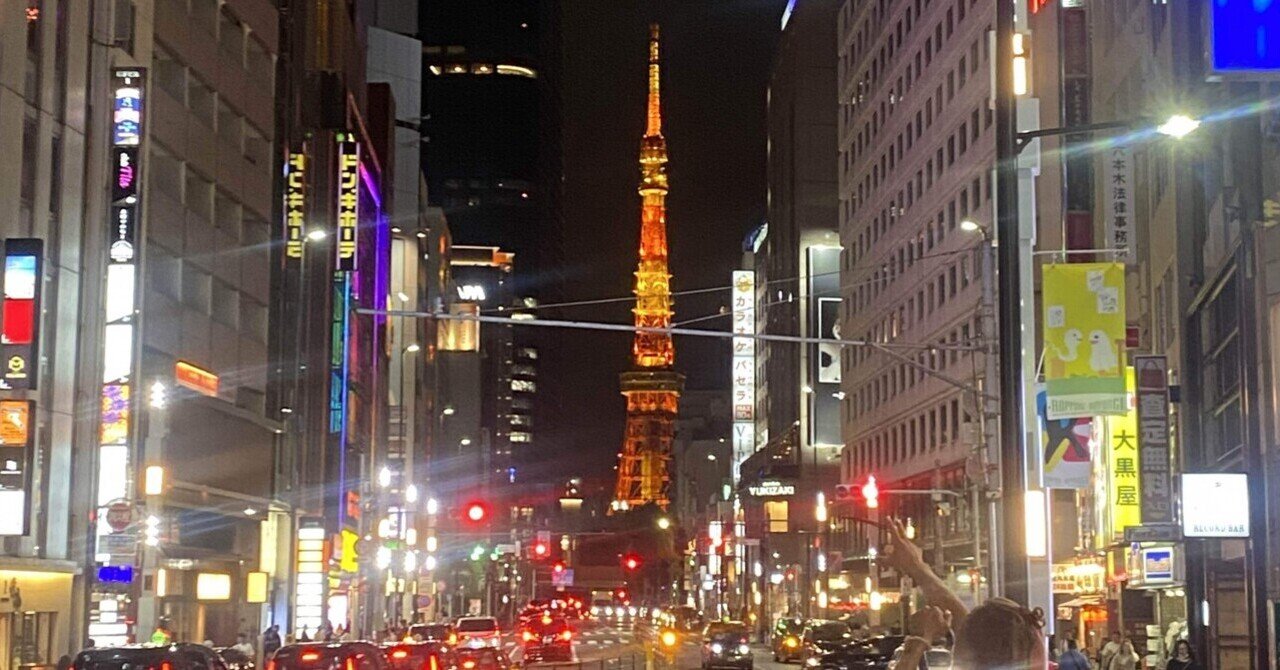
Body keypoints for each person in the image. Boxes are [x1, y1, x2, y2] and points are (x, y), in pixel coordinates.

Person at [882, 518, 1048, 670]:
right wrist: (918, 568)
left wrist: (919, 642)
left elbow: (973, 631)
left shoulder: (985, 652)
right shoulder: (994, 648)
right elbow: (973, 630)